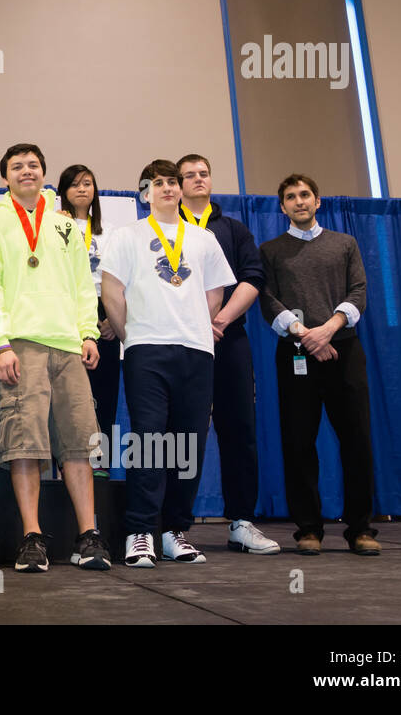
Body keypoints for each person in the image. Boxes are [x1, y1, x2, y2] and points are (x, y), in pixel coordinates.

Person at [0, 145, 110, 572]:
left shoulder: (65, 226)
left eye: (33, 165)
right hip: (21, 344)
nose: (26, 171)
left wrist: (88, 331)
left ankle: (88, 536)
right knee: (23, 442)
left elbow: (83, 284)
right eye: (17, 166)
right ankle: (32, 537)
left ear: (44, 174)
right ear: (5, 177)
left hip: (68, 344)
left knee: (80, 442)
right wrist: (1, 343)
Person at [100, 159, 235, 569]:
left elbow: (214, 294)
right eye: (158, 183)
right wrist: (132, 336)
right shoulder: (127, 236)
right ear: (145, 193)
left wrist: (192, 325)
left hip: (195, 350)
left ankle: (176, 530)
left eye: (173, 182)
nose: (169, 188)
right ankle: (140, 531)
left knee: (189, 442)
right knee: (149, 440)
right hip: (146, 349)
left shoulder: (204, 239)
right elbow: (112, 292)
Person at [259, 173, 379, 557]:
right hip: (296, 354)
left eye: (305, 194)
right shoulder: (271, 250)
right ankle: (308, 529)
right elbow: (267, 300)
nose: (299, 201)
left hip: (343, 351)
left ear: (318, 200)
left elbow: (358, 292)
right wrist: (305, 335)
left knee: (357, 441)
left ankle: (360, 529)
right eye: (291, 197)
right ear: (282, 207)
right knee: (298, 444)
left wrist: (327, 330)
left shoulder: (345, 244)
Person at [176, 154, 280, 556]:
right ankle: (174, 525)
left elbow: (253, 278)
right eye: (189, 175)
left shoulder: (232, 229)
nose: (198, 179)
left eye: (204, 173)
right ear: (177, 184)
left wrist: (218, 322)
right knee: (184, 434)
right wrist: (197, 327)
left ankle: (241, 521)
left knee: (239, 431)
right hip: (183, 342)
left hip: (228, 339)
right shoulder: (165, 229)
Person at [59, 164, 120, 461]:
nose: (82, 189)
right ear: (63, 192)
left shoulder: (111, 232)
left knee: (104, 392)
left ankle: (100, 462)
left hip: (105, 307)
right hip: (66, 309)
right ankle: (65, 463)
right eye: (74, 184)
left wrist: (112, 320)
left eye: (87, 183)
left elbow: (124, 277)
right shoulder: (54, 225)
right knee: (69, 393)